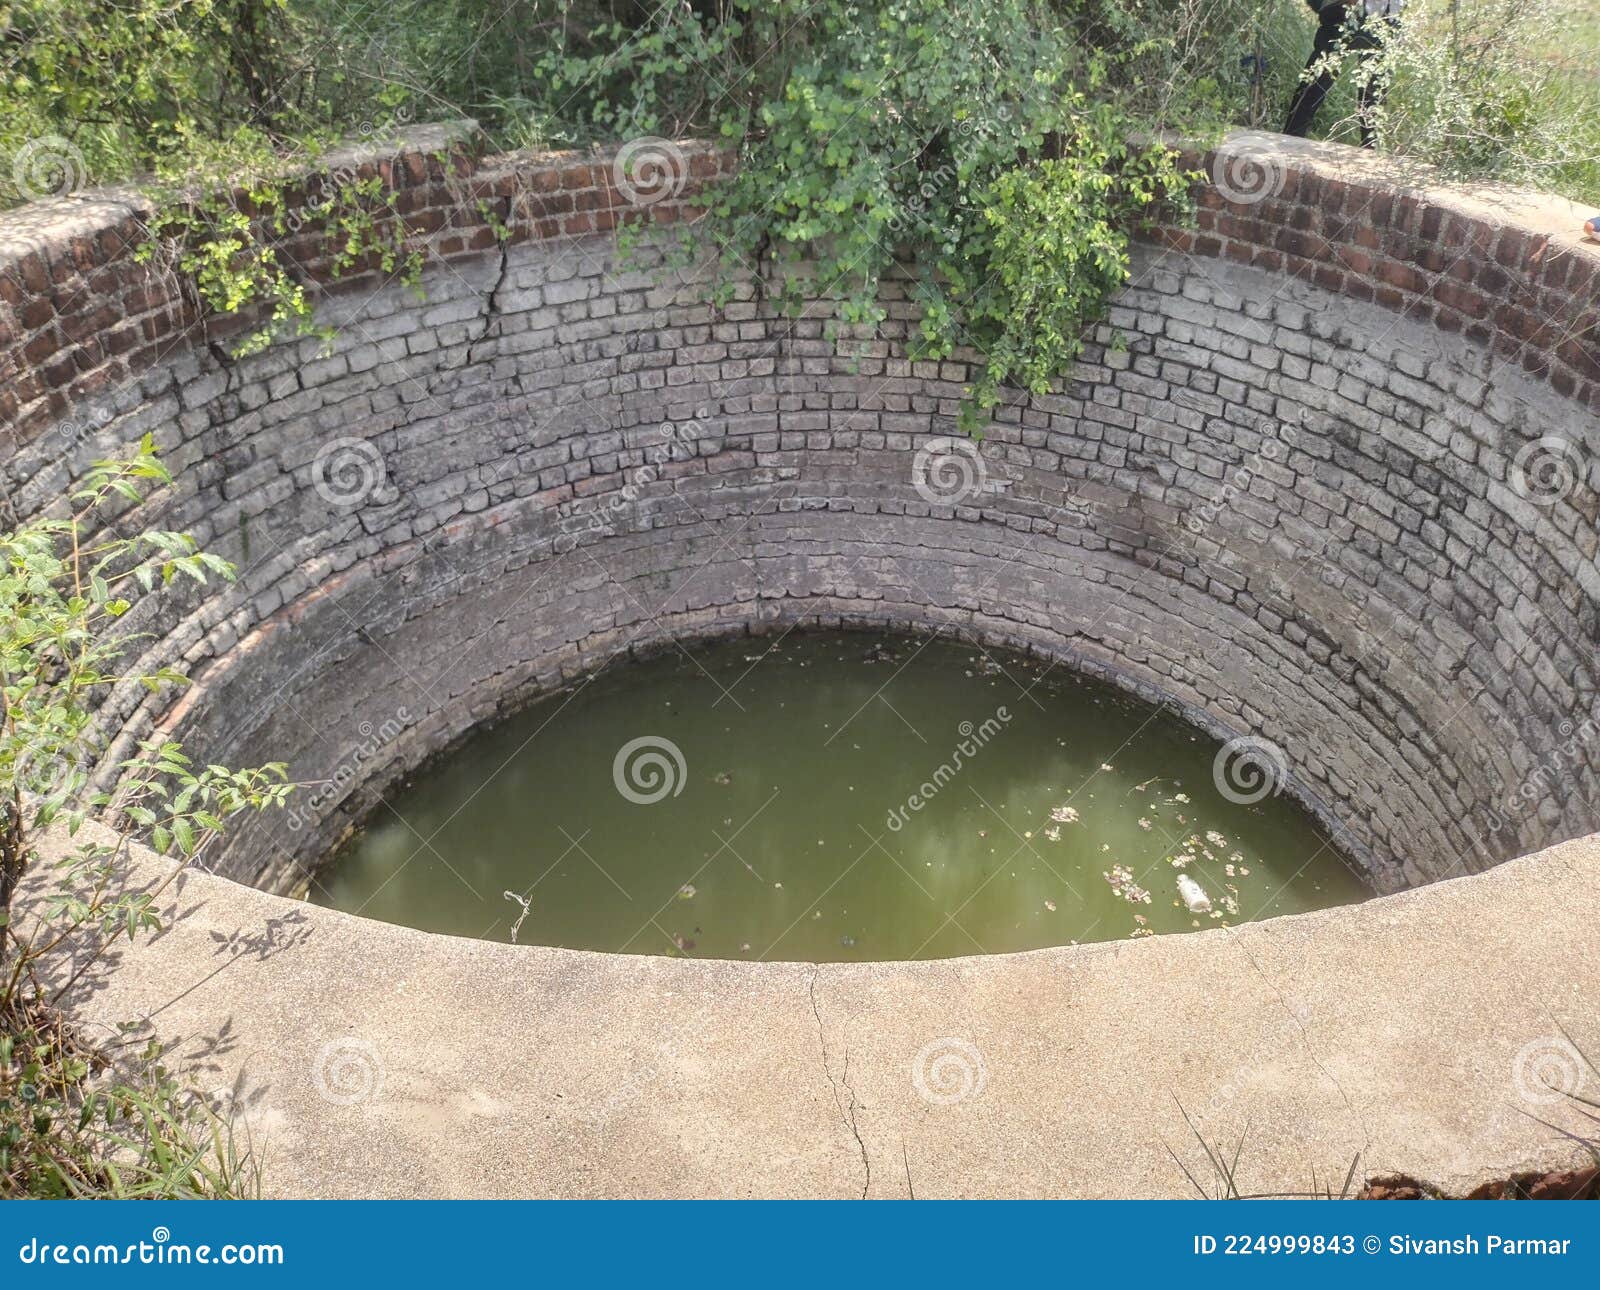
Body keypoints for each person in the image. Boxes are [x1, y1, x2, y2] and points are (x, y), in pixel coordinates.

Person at [1284, 0, 1404, 148]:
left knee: (1373, 90)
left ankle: (1371, 152)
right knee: (1318, 78)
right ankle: (1290, 140)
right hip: (1342, 11)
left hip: (1382, 13)